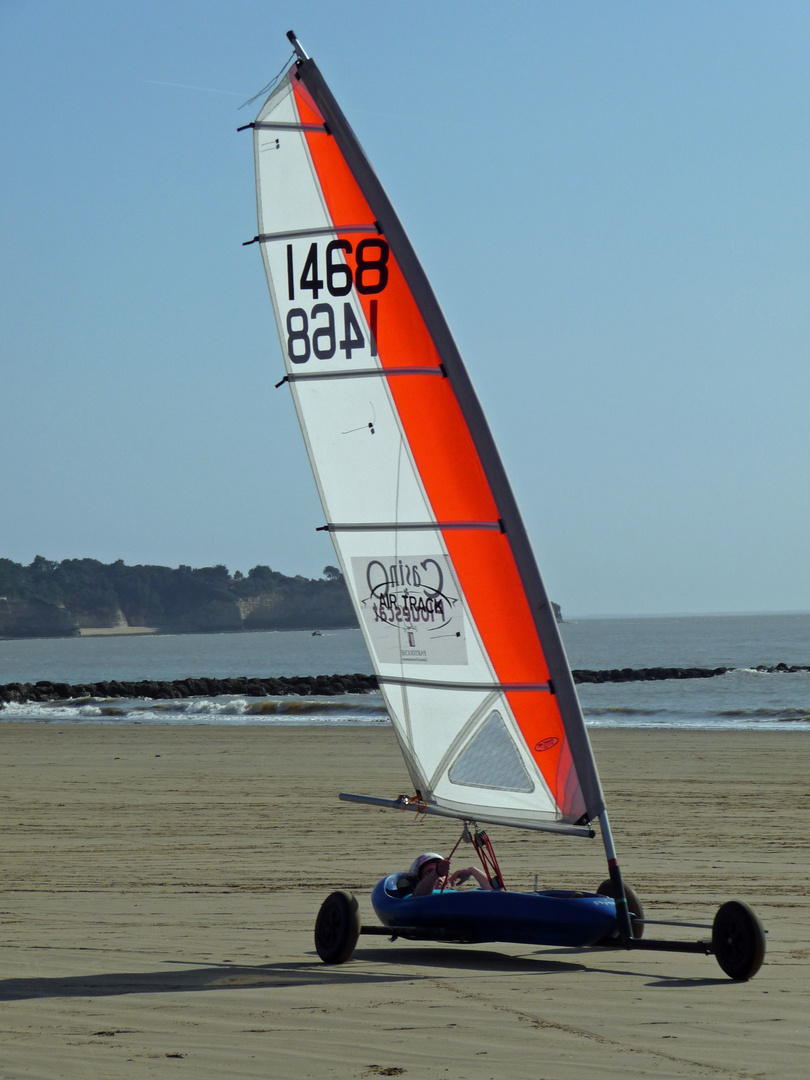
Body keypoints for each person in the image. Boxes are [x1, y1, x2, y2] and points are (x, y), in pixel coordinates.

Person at [404, 852, 494, 897]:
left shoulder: (459, 893)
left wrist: (472, 870)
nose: (438, 876)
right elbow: (419, 897)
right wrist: (436, 873)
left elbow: (494, 892)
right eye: (429, 872)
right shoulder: (415, 895)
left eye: (442, 872)